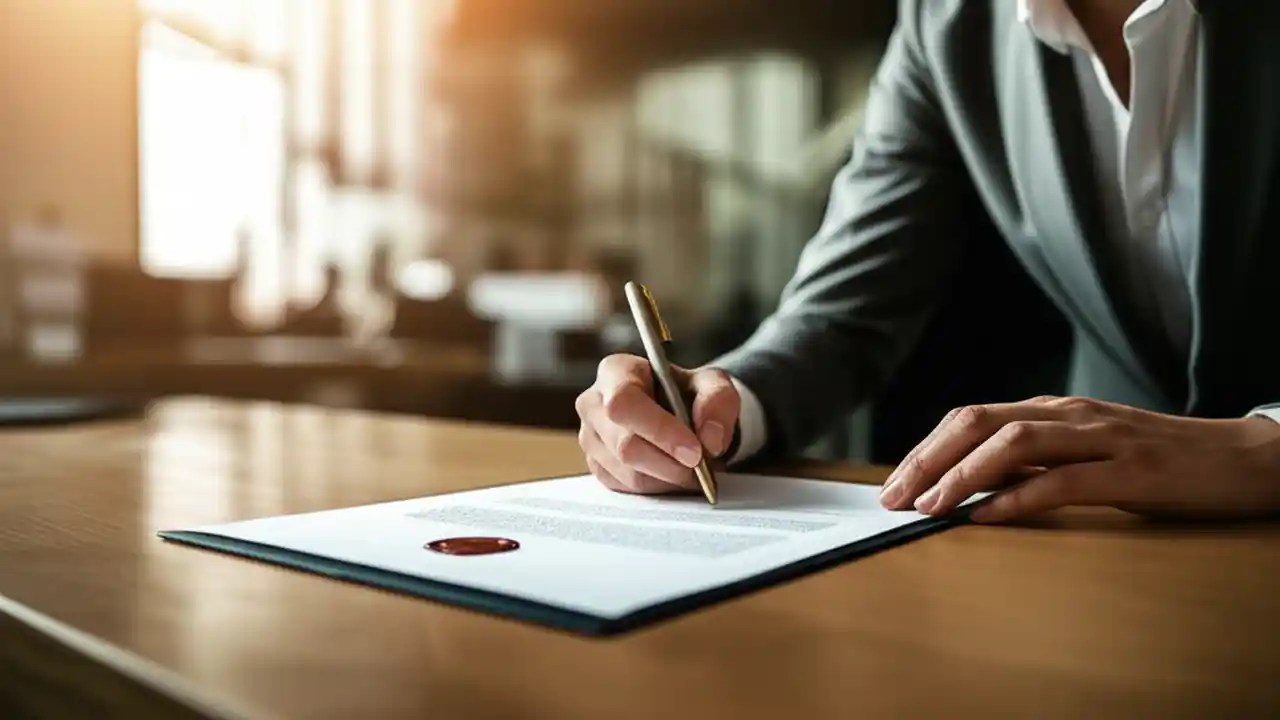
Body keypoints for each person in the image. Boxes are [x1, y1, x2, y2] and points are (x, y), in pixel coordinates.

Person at [576, 0, 1280, 522]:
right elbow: (843, 310)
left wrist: (1263, 449)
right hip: (1103, 541)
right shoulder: (946, 22)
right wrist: (710, 416)